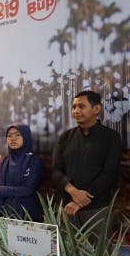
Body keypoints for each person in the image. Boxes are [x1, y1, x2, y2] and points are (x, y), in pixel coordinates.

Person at [52, 90, 122, 223]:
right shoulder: (65, 137)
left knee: (96, 238)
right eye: (74, 107)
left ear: (96, 109)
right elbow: (56, 170)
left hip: (96, 209)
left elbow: (109, 173)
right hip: (66, 206)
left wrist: (79, 202)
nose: (76, 111)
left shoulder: (111, 137)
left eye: (81, 106)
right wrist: (73, 191)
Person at [0, 124, 43, 222]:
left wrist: (1, 190)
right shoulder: (4, 162)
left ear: (25, 136)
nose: (13, 138)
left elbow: (28, 189)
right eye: (9, 135)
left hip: (28, 215)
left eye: (17, 134)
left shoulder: (34, 161)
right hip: (6, 214)